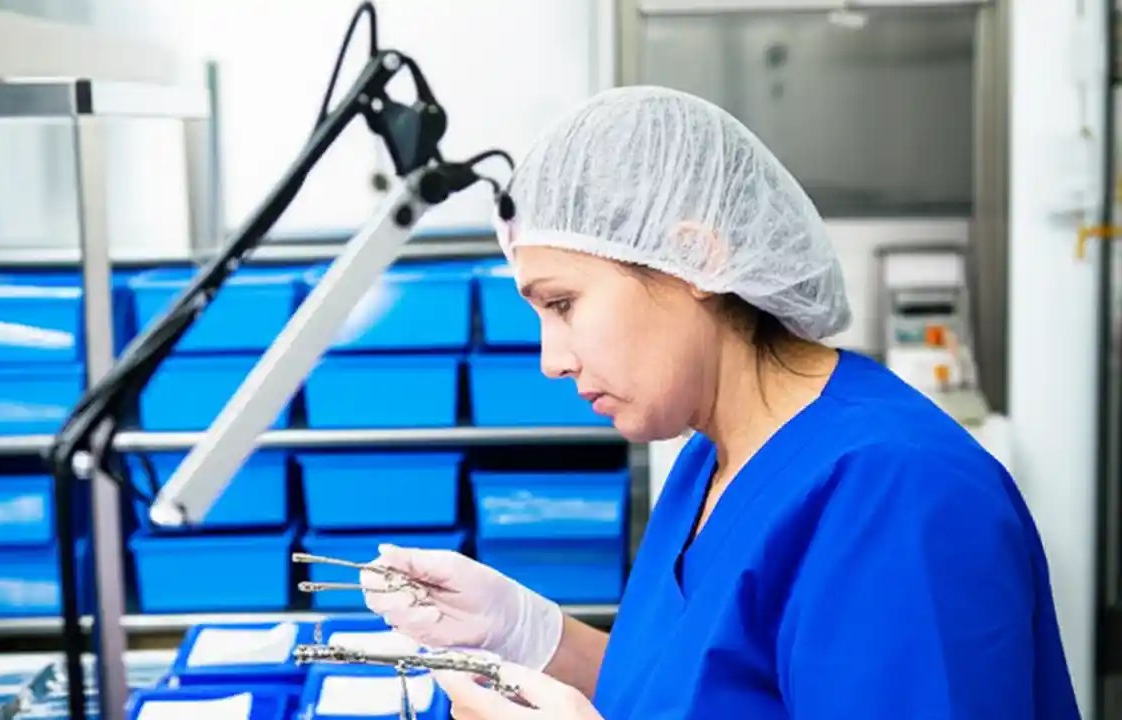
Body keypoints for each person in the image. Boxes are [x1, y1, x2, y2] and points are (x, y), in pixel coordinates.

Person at [360, 86, 1081, 719]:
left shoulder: (898, 497)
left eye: (564, 303)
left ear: (697, 259)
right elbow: (696, 691)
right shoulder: (710, 455)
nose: (553, 359)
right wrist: (527, 633)